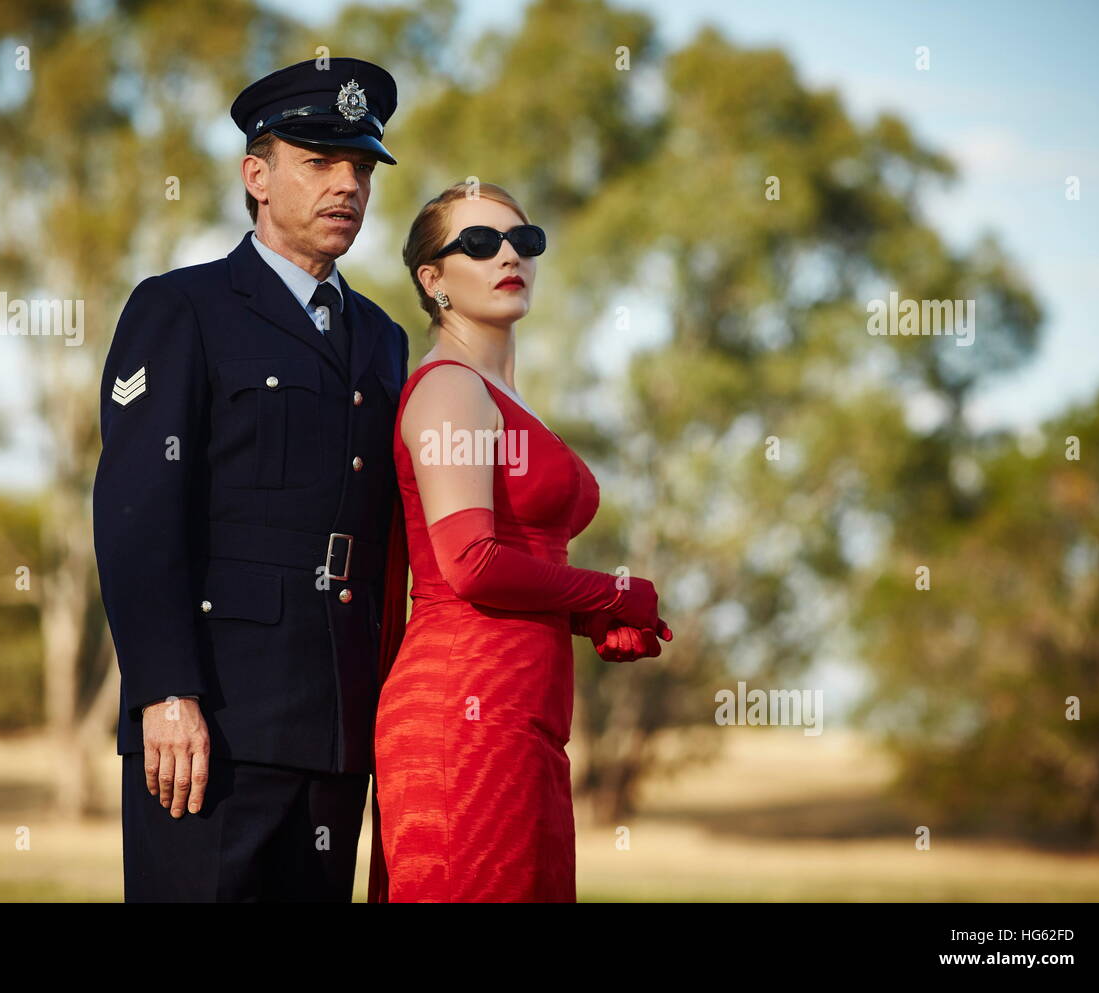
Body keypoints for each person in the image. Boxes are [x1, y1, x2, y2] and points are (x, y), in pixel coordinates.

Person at [92, 57, 409, 901]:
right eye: (319, 162)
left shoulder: (381, 338)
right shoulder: (181, 308)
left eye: (362, 168)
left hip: (336, 731)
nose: (347, 184)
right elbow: (136, 516)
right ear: (256, 176)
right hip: (210, 727)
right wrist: (164, 690)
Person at [368, 182, 673, 902]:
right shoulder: (449, 389)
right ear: (432, 280)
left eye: (523, 241)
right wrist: (612, 591)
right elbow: (470, 563)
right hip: (463, 709)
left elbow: (523, 555)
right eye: (479, 242)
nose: (509, 254)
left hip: (522, 714)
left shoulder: (499, 393)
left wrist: (588, 615)